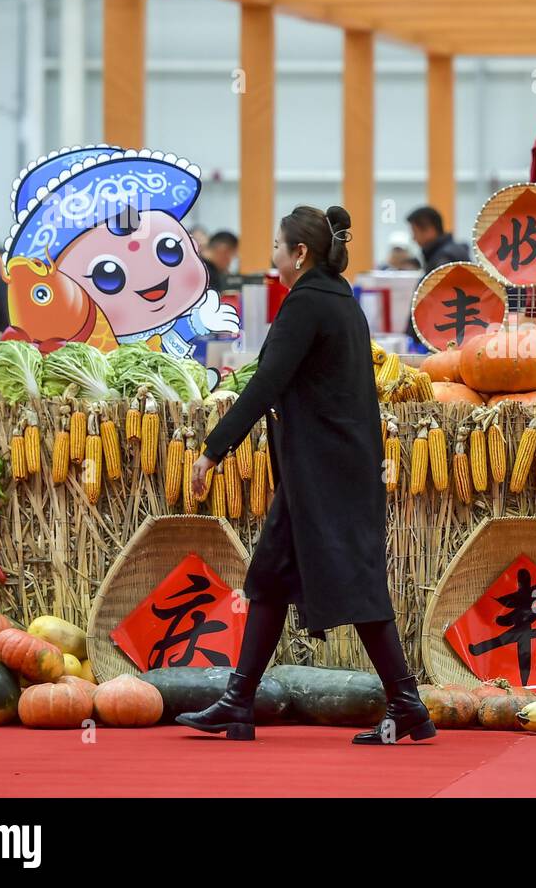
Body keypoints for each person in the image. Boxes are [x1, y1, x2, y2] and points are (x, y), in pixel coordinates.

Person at [177, 205, 435, 745]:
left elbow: (266, 384)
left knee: (360, 588)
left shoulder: (307, 303)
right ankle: (240, 702)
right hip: (331, 468)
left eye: (276, 245)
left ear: (299, 253)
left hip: (325, 472)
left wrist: (212, 451)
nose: (270, 255)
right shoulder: (341, 301)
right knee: (269, 577)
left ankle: (407, 702)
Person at [404, 206, 469, 339]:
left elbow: (437, 305)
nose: (413, 239)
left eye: (415, 232)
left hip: (446, 338)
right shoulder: (446, 254)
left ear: (429, 230)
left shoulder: (444, 260)